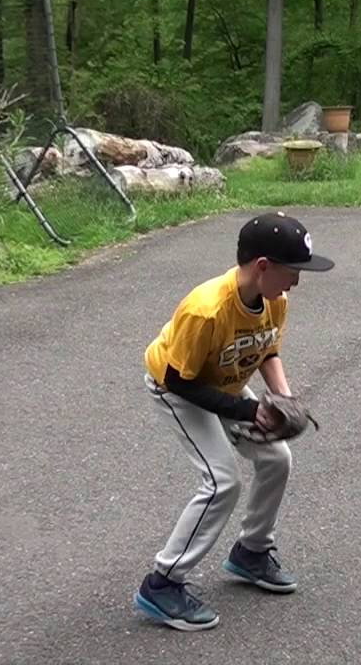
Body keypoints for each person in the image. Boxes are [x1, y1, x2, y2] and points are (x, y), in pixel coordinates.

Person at [133, 211, 335, 631]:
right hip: (177, 390)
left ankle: (251, 553)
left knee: (277, 458)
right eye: (292, 271)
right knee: (222, 481)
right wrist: (249, 410)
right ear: (263, 266)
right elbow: (179, 381)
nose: (296, 281)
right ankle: (162, 583)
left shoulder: (274, 299)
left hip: (224, 382)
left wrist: (283, 398)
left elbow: (267, 351)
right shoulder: (205, 310)